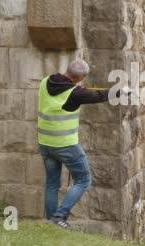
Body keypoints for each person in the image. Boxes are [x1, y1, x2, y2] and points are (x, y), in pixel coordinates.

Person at [38, 58, 114, 229]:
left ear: (67, 70)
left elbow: (72, 89)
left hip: (45, 143)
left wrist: (79, 88)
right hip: (65, 145)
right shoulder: (75, 93)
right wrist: (120, 91)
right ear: (80, 78)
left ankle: (51, 223)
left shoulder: (45, 82)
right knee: (83, 180)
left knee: (52, 184)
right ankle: (59, 217)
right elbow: (98, 96)